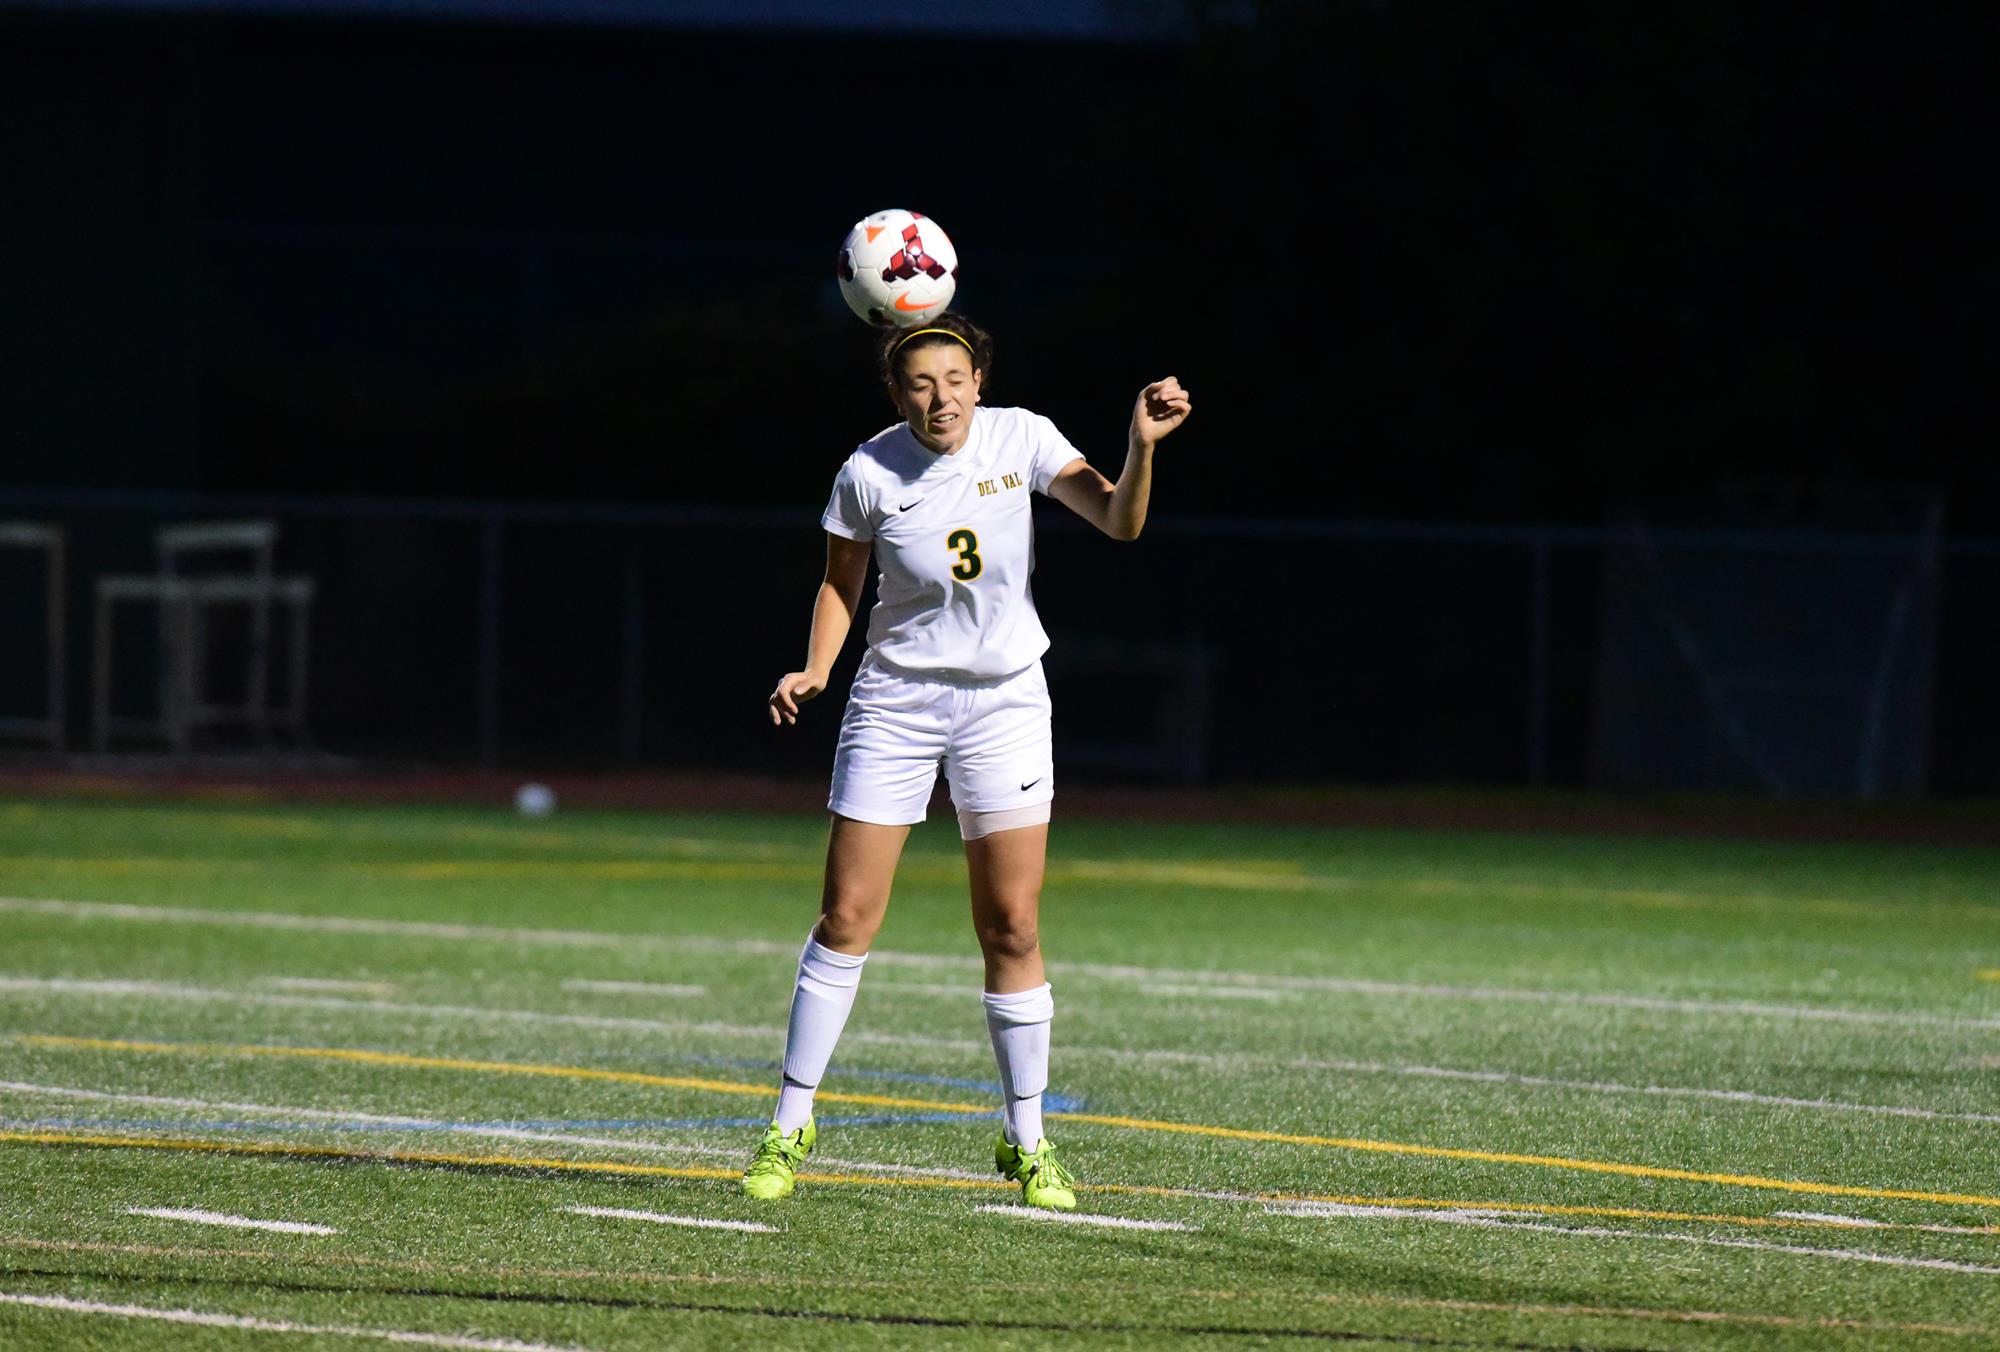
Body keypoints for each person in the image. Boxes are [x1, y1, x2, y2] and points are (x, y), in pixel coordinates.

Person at [743, 310, 1190, 1210]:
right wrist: (817, 668)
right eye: (919, 383)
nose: (940, 397)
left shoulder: (1020, 436)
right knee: (847, 916)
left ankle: (1028, 1141)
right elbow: (842, 582)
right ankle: (788, 1128)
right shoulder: (868, 471)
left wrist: (1140, 447)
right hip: (897, 702)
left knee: (1013, 928)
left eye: (955, 379)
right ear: (896, 393)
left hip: (1005, 703)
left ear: (978, 382)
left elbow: (1117, 520)